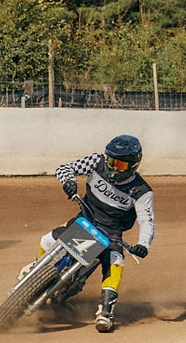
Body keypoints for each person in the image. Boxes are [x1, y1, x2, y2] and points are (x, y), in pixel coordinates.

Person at [45, 134, 154, 331]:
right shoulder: (97, 161)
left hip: (111, 234)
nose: (113, 168)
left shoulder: (142, 191)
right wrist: (68, 181)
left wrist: (143, 245)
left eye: (120, 165)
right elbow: (64, 168)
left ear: (133, 165)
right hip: (85, 219)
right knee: (47, 240)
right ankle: (36, 271)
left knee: (116, 261)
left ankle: (105, 311)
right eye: (112, 161)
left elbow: (147, 221)